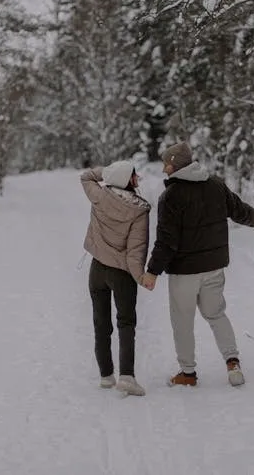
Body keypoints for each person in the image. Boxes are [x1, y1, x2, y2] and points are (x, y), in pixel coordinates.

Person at [141, 141, 254, 387]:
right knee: (216, 314)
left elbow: (166, 240)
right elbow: (239, 210)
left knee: (182, 321)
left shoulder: (171, 196)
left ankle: (187, 373)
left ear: (174, 164)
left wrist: (152, 271)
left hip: (185, 272)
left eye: (166, 163)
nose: (164, 168)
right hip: (214, 267)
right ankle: (232, 362)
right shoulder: (216, 185)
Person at [81, 160, 151, 396]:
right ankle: (127, 377)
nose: (137, 179)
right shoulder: (139, 211)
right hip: (122, 275)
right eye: (133, 176)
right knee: (126, 324)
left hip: (97, 270)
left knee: (101, 324)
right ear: (127, 180)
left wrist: (107, 174)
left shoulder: (99, 196)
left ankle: (106, 375)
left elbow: (86, 176)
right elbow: (135, 251)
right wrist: (141, 277)